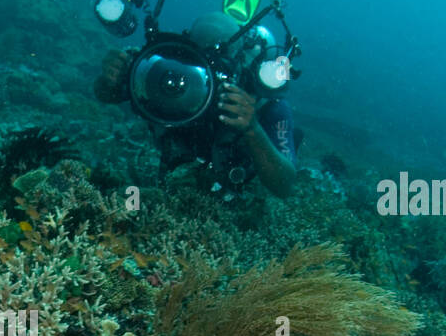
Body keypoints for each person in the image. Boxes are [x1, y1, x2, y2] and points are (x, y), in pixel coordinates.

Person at [95, 11, 297, 198]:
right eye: (201, 51)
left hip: (236, 196)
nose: (209, 66)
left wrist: (252, 129)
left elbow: (285, 186)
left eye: (219, 57)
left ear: (239, 60)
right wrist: (111, 76)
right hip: (163, 182)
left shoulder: (264, 103)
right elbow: (107, 95)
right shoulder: (166, 70)